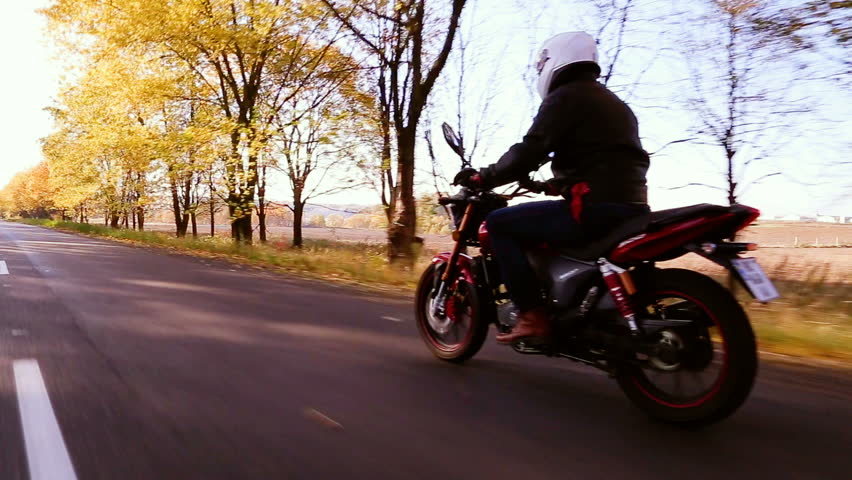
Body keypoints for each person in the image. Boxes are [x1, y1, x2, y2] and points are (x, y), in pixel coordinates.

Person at [453, 32, 650, 345]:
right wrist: (550, 185)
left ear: (554, 59)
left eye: (541, 63)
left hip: (594, 208)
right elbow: (602, 161)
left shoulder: (567, 96)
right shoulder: (613, 103)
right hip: (630, 205)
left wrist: (484, 178)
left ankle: (532, 316)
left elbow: (529, 151)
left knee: (500, 224)